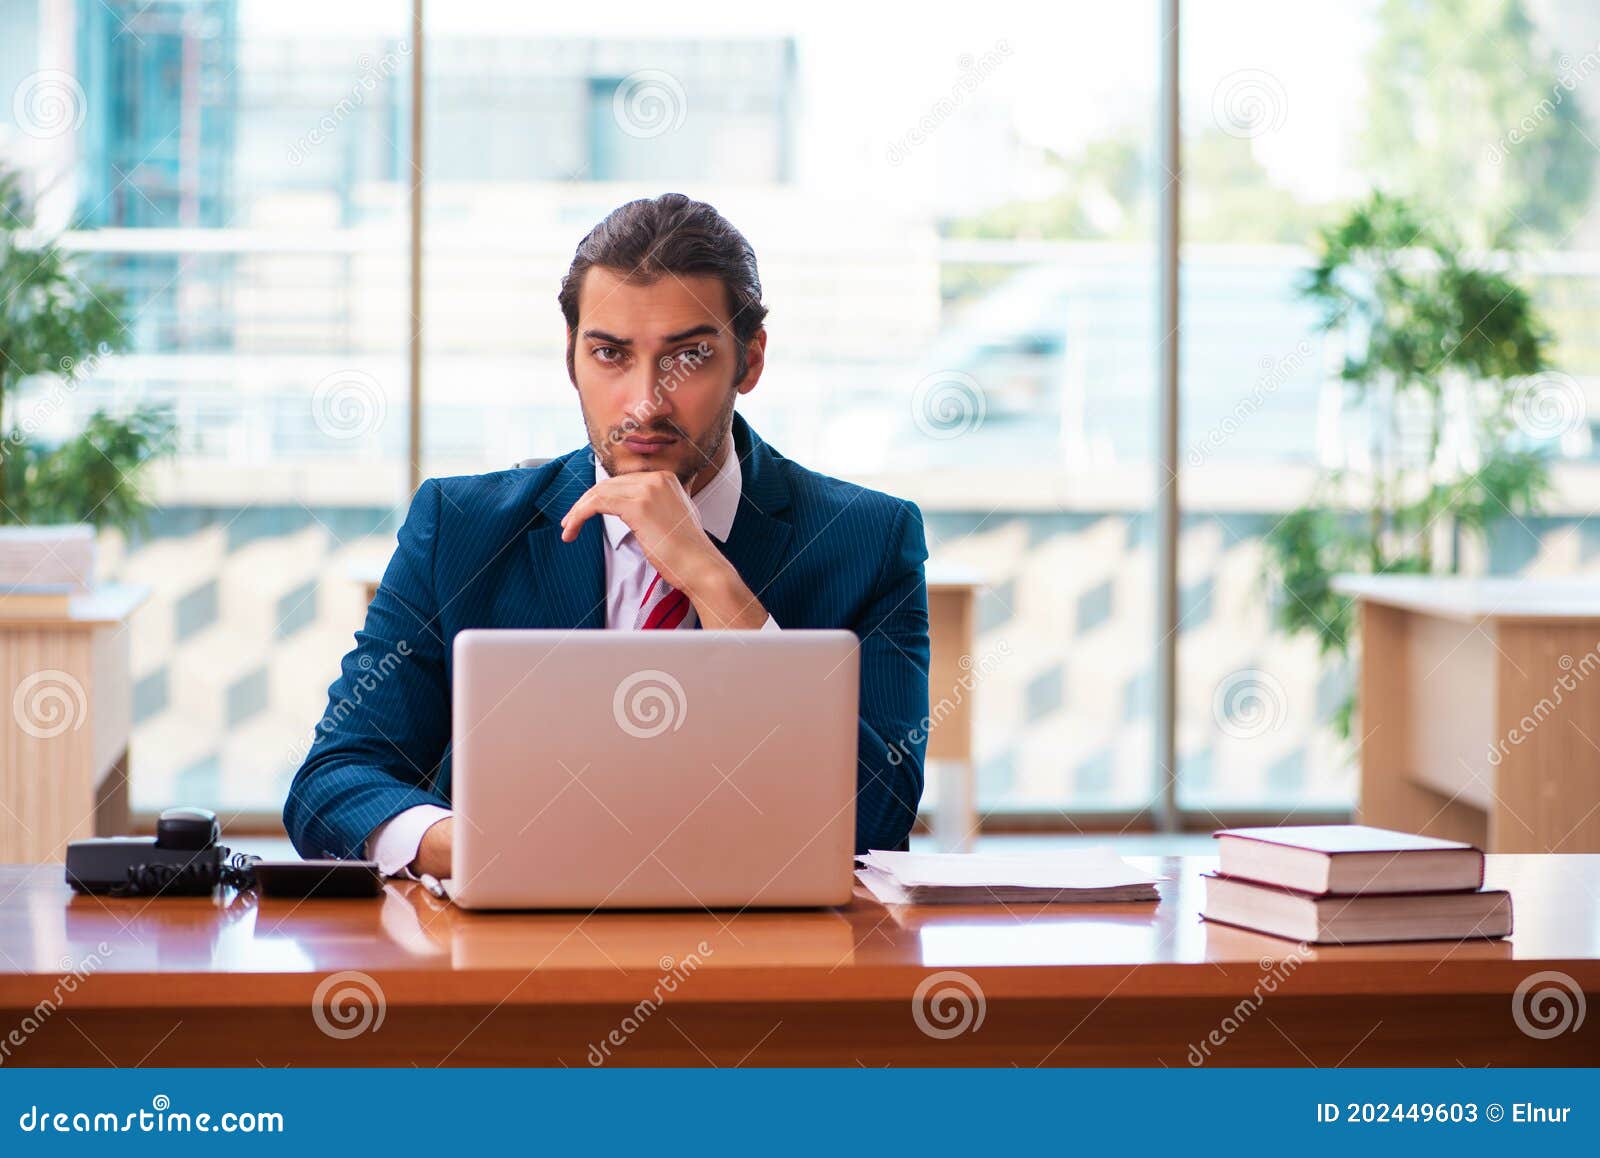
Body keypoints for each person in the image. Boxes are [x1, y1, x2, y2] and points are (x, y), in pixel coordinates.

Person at [283, 193, 930, 877]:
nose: (646, 401)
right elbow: (334, 781)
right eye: (610, 355)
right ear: (572, 360)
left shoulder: (868, 539)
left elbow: (875, 816)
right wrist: (478, 849)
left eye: (689, 357)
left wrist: (711, 580)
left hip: (758, 952)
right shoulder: (462, 528)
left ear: (750, 360)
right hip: (512, 955)